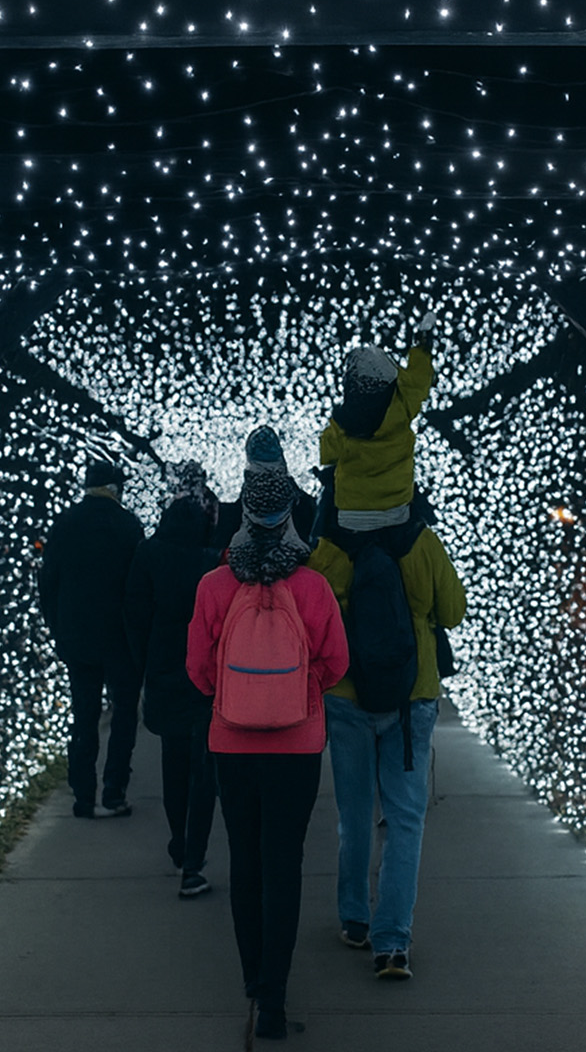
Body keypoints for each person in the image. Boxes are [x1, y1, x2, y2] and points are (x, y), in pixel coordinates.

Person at [186, 427, 349, 1041]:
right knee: (284, 864)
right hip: (297, 748)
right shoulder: (311, 587)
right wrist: (300, 699)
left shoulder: (213, 586)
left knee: (245, 863)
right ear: (288, 517)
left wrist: (231, 700)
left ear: (244, 514)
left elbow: (197, 669)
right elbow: (335, 662)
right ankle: (277, 1004)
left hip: (231, 745)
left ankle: (252, 985)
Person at [308, 502, 466, 982]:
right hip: (409, 695)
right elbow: (453, 612)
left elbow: (313, 615)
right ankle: (393, 941)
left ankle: (355, 917)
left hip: (346, 694)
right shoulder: (420, 541)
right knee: (404, 820)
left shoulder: (332, 546)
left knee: (353, 814)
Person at [124, 461, 223, 897]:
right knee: (205, 769)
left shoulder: (149, 554)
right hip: (206, 676)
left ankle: (179, 841)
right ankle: (194, 859)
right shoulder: (210, 563)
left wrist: (143, 662)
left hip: (164, 669)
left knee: (174, 763)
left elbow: (134, 615)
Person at [39, 457, 145, 819]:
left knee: (83, 715)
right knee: (124, 716)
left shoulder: (65, 523)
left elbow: (48, 581)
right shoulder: (129, 525)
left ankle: (83, 794)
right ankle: (114, 791)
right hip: (120, 638)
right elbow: (138, 587)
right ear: (117, 488)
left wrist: (56, 626)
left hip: (77, 636)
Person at [320, 312, 435, 531]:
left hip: (350, 515)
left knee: (326, 485)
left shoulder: (341, 425)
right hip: (397, 510)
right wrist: (422, 342)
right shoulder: (403, 406)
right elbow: (420, 378)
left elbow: (327, 454)